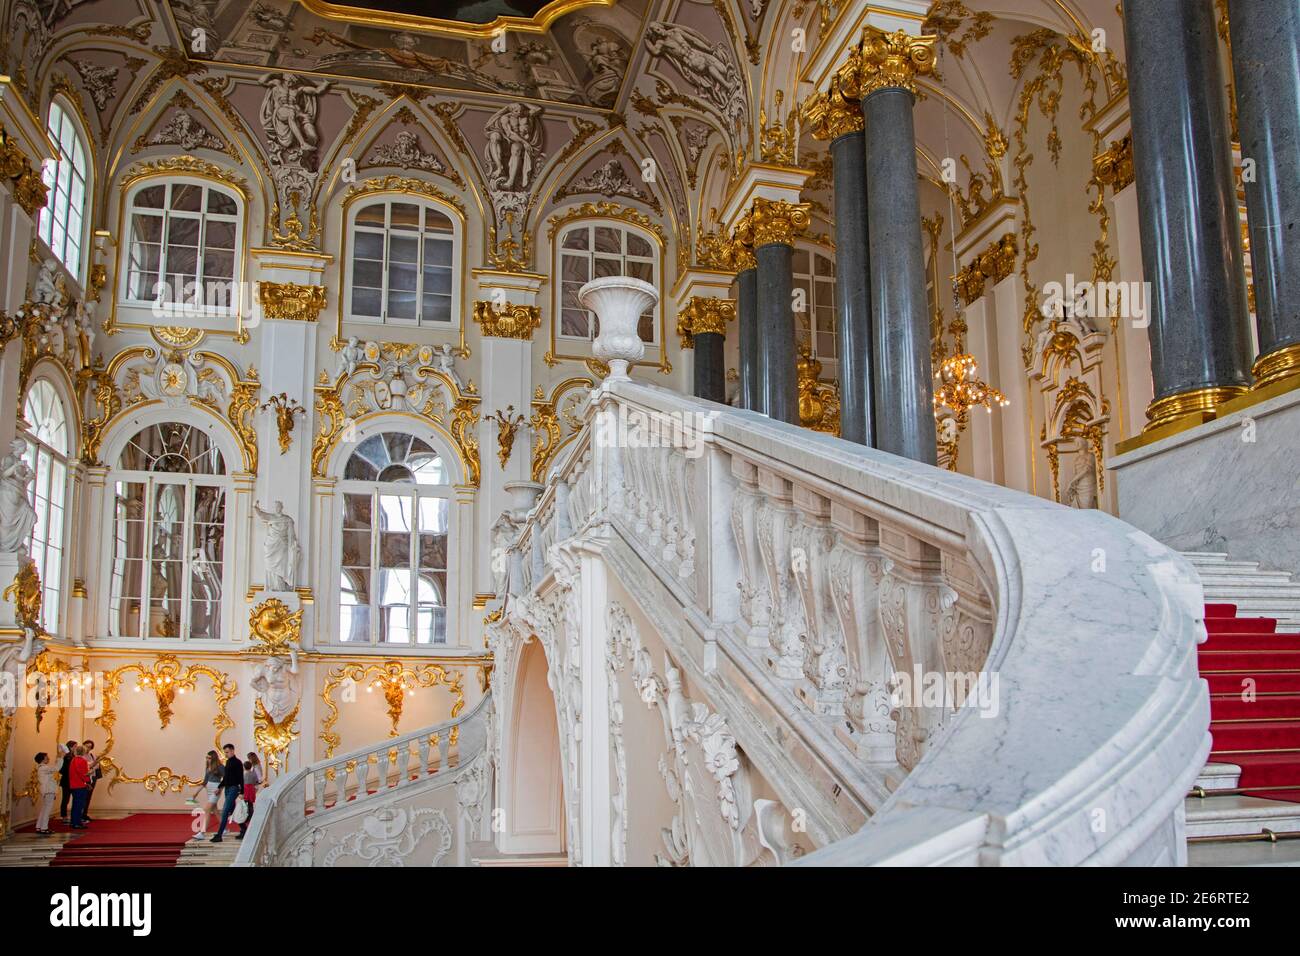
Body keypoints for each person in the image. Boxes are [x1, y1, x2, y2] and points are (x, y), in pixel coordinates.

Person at [211, 743, 244, 843]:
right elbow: (226, 778)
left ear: (232, 751)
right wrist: (219, 787)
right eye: (225, 752)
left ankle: (219, 835)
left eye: (227, 752)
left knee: (225, 811)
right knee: (232, 811)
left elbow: (240, 778)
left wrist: (242, 791)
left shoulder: (238, 762)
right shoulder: (228, 762)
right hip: (227, 789)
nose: (226, 754)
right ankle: (244, 829)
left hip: (234, 789)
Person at [189, 750, 223, 841]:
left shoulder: (220, 767)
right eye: (206, 757)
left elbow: (225, 779)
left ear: (214, 758)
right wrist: (197, 792)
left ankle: (202, 833)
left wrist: (219, 788)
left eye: (209, 758)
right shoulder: (208, 767)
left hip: (216, 789)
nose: (207, 759)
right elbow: (205, 781)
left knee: (206, 809)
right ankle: (224, 829)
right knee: (215, 810)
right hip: (209, 788)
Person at [34, 752, 58, 835]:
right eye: (46, 757)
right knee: (47, 810)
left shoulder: (41, 768)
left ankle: (39, 826)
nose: (48, 758)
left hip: (47, 790)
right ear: (42, 759)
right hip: (49, 790)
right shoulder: (44, 768)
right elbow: (57, 768)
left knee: (44, 809)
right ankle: (44, 828)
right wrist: (60, 758)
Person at [240, 753, 262, 840]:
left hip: (249, 789)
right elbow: (257, 780)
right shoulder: (254, 770)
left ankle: (249, 816)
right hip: (252, 788)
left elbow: (259, 779)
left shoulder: (253, 769)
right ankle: (250, 815)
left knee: (247, 804)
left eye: (249, 758)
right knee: (250, 803)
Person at [68, 745, 90, 829]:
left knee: (75, 804)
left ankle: (74, 821)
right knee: (79, 804)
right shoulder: (82, 761)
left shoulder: (73, 760)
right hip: (80, 785)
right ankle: (77, 822)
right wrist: (88, 781)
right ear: (83, 752)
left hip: (73, 784)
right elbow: (83, 773)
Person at [80, 740, 101, 822]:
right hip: (84, 778)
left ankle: (84, 813)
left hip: (92, 777)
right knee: (82, 796)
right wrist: (92, 765)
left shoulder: (92, 755)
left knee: (88, 796)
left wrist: (92, 766)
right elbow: (86, 766)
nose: (88, 748)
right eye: (86, 746)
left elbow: (97, 766)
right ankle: (80, 814)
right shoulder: (80, 756)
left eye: (90, 747)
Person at [56, 740, 76, 822]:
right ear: (70, 746)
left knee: (72, 798)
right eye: (75, 746)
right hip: (66, 780)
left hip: (72, 779)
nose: (76, 748)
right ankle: (64, 815)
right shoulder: (66, 756)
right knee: (65, 798)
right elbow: (63, 768)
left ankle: (72, 815)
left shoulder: (72, 755)